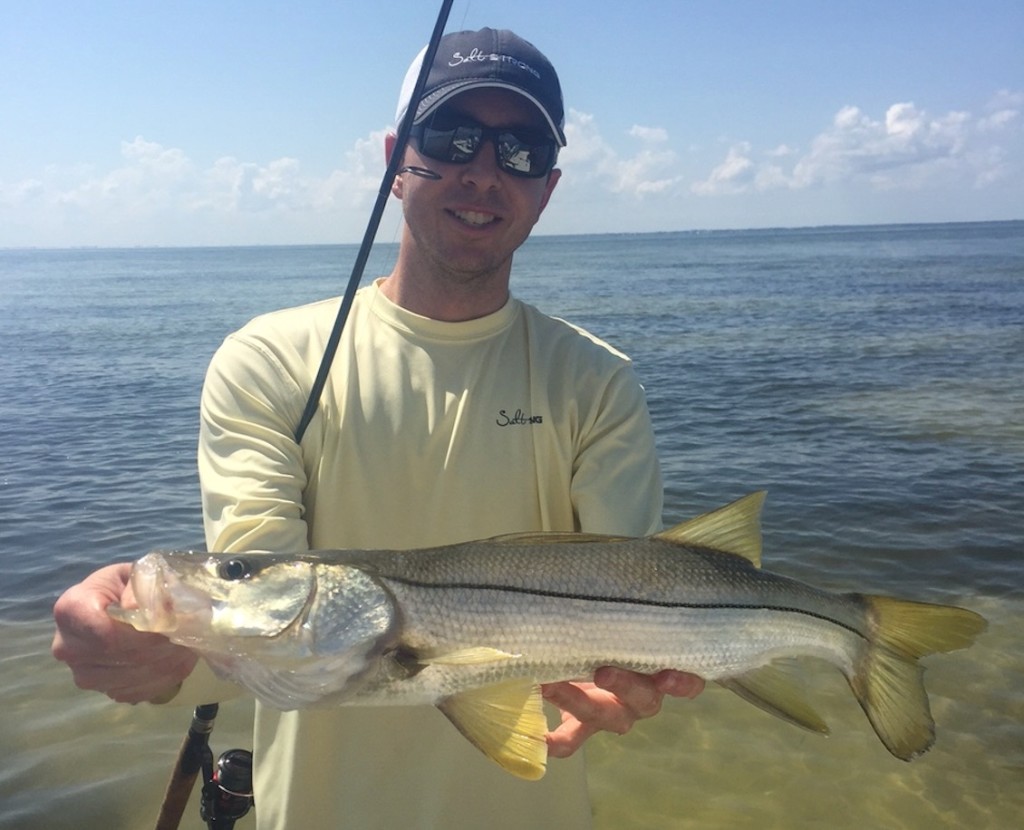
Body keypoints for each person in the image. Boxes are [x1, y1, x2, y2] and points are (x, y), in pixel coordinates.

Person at [52, 28, 704, 829]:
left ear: (550, 186)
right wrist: (156, 657)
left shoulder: (597, 381)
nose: (484, 172)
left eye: (522, 151)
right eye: (453, 137)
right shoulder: (269, 360)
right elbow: (269, 613)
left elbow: (634, 604)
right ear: (397, 160)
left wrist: (629, 683)